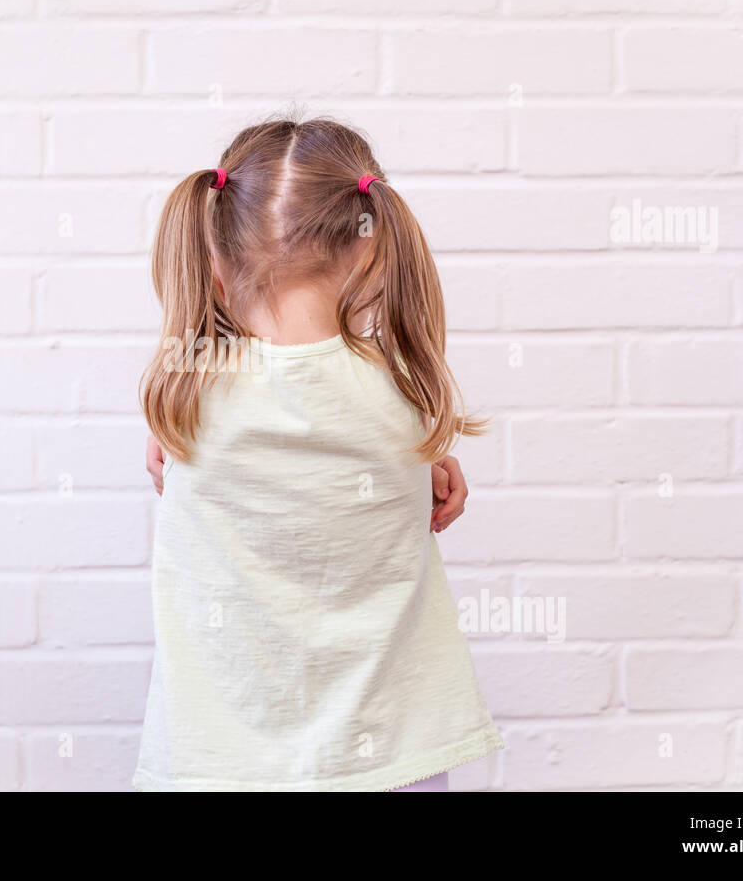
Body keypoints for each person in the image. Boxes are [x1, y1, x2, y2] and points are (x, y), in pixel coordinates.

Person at [132, 117, 503, 792]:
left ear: (213, 255)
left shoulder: (183, 397)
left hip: (220, 762)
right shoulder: (403, 396)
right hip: (390, 758)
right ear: (369, 249)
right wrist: (427, 464)